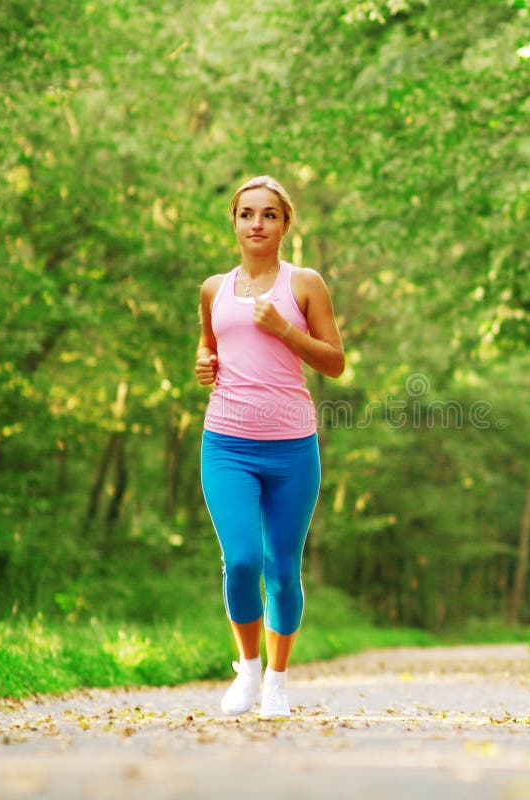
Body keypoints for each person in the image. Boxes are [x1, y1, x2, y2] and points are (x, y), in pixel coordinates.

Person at [194, 175, 345, 720]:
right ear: (234, 222)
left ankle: (277, 683)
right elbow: (210, 346)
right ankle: (248, 668)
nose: (256, 223)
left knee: (282, 569)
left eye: (269, 215)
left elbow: (334, 362)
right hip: (227, 444)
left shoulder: (304, 284)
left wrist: (285, 329)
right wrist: (204, 362)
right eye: (246, 214)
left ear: (285, 224)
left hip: (292, 447)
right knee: (240, 560)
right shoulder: (214, 287)